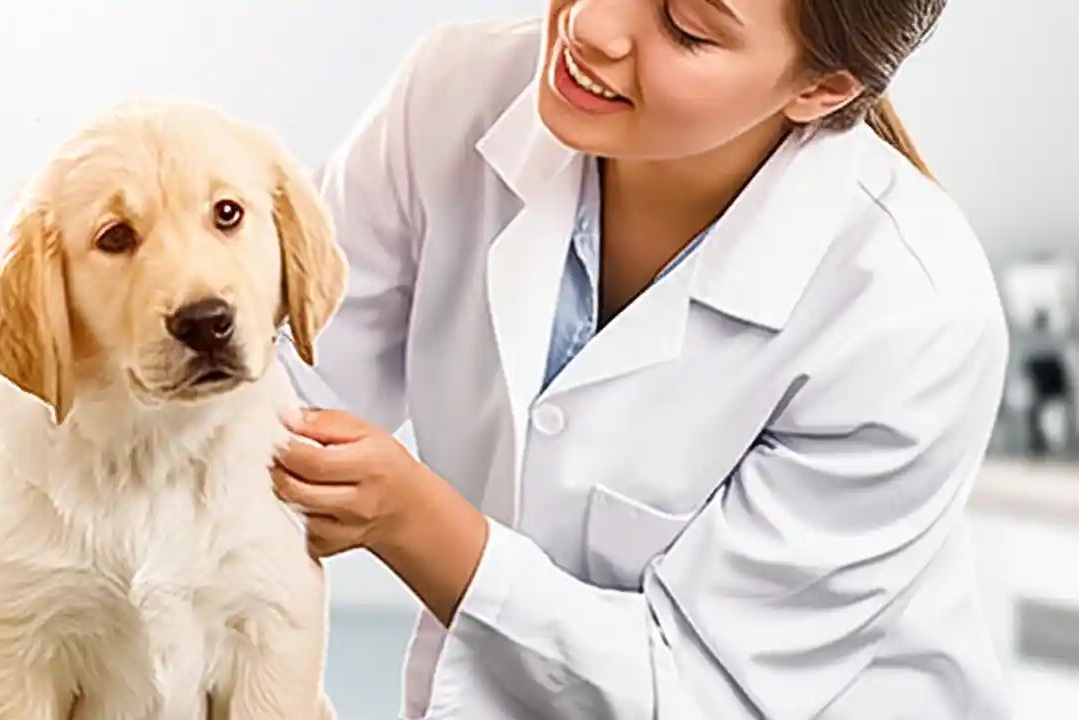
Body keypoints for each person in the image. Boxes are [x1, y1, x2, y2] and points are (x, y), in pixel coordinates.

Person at [270, 1, 1013, 717]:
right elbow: (276, 376)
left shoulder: (909, 311)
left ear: (821, 88)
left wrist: (412, 520)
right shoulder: (455, 91)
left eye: (686, 26)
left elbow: (702, 689)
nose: (591, 23)